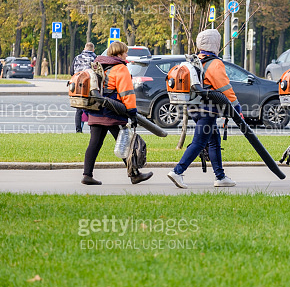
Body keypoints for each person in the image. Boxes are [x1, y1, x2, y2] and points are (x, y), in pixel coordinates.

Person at [167, 29, 242, 189]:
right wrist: (237, 106)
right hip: (207, 110)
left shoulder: (194, 61)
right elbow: (225, 87)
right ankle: (177, 171)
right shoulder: (214, 63)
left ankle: (220, 177)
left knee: (214, 141)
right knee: (200, 142)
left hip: (193, 107)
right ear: (215, 44)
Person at [82, 41, 153, 185]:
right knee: (125, 143)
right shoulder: (120, 68)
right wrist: (132, 112)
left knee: (94, 144)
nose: (127, 55)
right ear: (119, 54)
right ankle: (135, 175)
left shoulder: (100, 65)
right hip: (113, 112)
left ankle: (87, 175)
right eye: (125, 52)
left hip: (96, 111)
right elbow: (127, 93)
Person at [72, 43, 97, 133]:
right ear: (93, 50)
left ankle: (78, 130)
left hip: (78, 85)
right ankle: (92, 130)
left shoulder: (77, 57)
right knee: (91, 108)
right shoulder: (95, 58)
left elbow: (72, 71)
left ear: (84, 48)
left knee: (79, 108)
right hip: (89, 85)